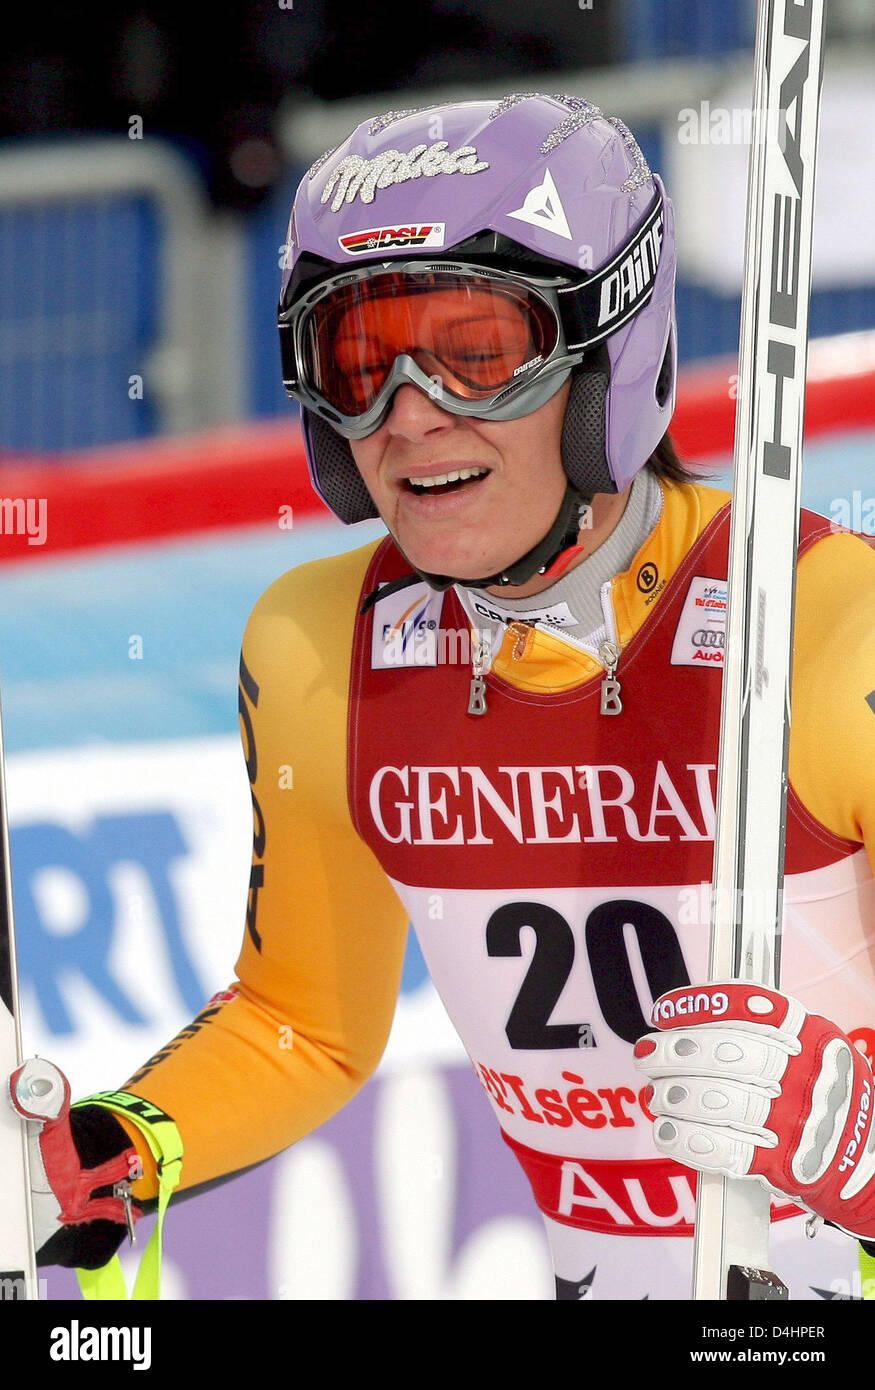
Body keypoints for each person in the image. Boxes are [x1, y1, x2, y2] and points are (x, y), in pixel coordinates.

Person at [13, 92, 875, 1301]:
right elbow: (298, 1023)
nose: (409, 415)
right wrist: (114, 1151)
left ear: (603, 353)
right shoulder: (324, 647)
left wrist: (856, 1143)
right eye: (355, 360)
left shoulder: (831, 634)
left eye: (473, 353)